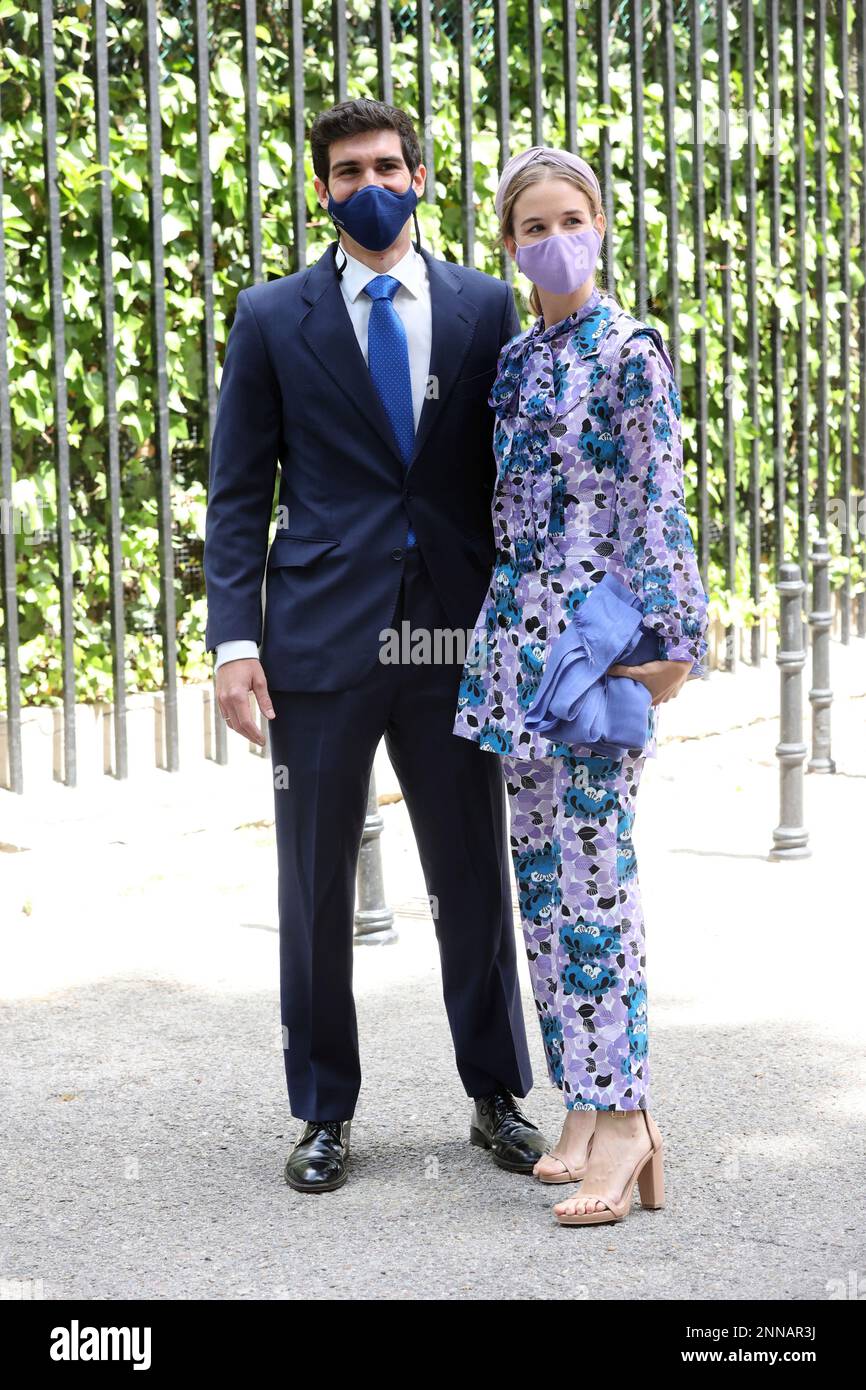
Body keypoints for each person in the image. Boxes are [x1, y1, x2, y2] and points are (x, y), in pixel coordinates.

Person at [203, 100, 550, 1192]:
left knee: (469, 874)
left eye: (386, 165)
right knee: (311, 888)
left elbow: (522, 476)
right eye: (346, 169)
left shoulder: (487, 307)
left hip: (453, 633)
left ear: (420, 176)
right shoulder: (269, 317)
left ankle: (495, 1095)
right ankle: (322, 1113)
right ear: (321, 189)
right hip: (318, 640)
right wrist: (230, 640)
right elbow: (234, 494)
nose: (368, 183)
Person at [452, 146, 709, 1226]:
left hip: (596, 646)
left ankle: (626, 1119)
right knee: (546, 894)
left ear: (597, 223)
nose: (552, 238)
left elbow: (656, 506)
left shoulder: (628, 351)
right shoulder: (514, 363)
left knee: (599, 889)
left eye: (570, 216)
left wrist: (675, 645)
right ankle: (578, 1103)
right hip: (519, 644)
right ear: (508, 247)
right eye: (529, 225)